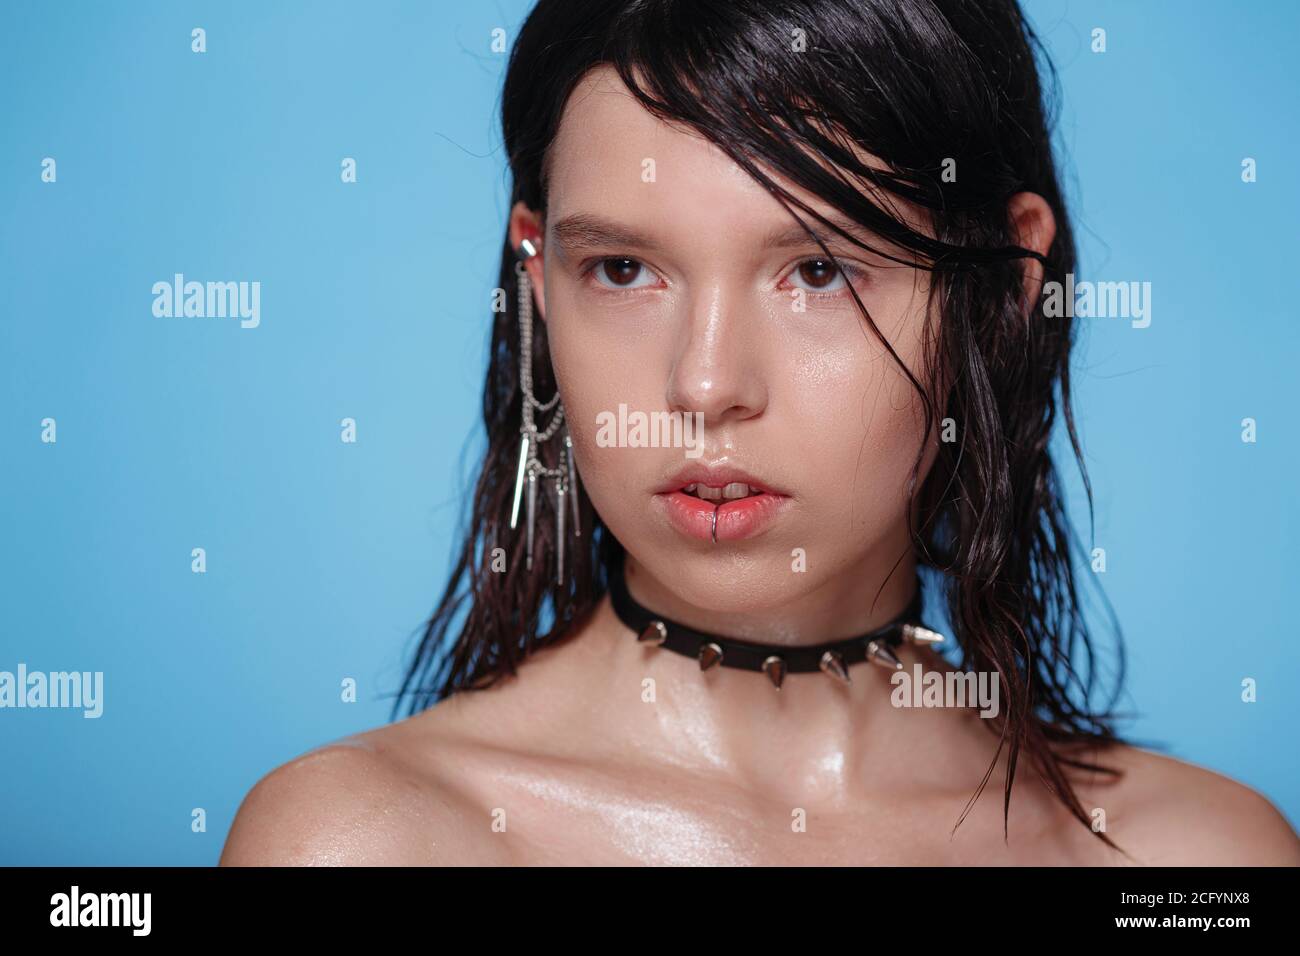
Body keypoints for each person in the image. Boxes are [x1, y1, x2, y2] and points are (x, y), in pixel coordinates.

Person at [221, 0, 1300, 865]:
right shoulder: (364, 841)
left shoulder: (1194, 862)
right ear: (536, 278)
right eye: (623, 270)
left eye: (818, 271)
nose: (704, 382)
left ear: (1011, 282)